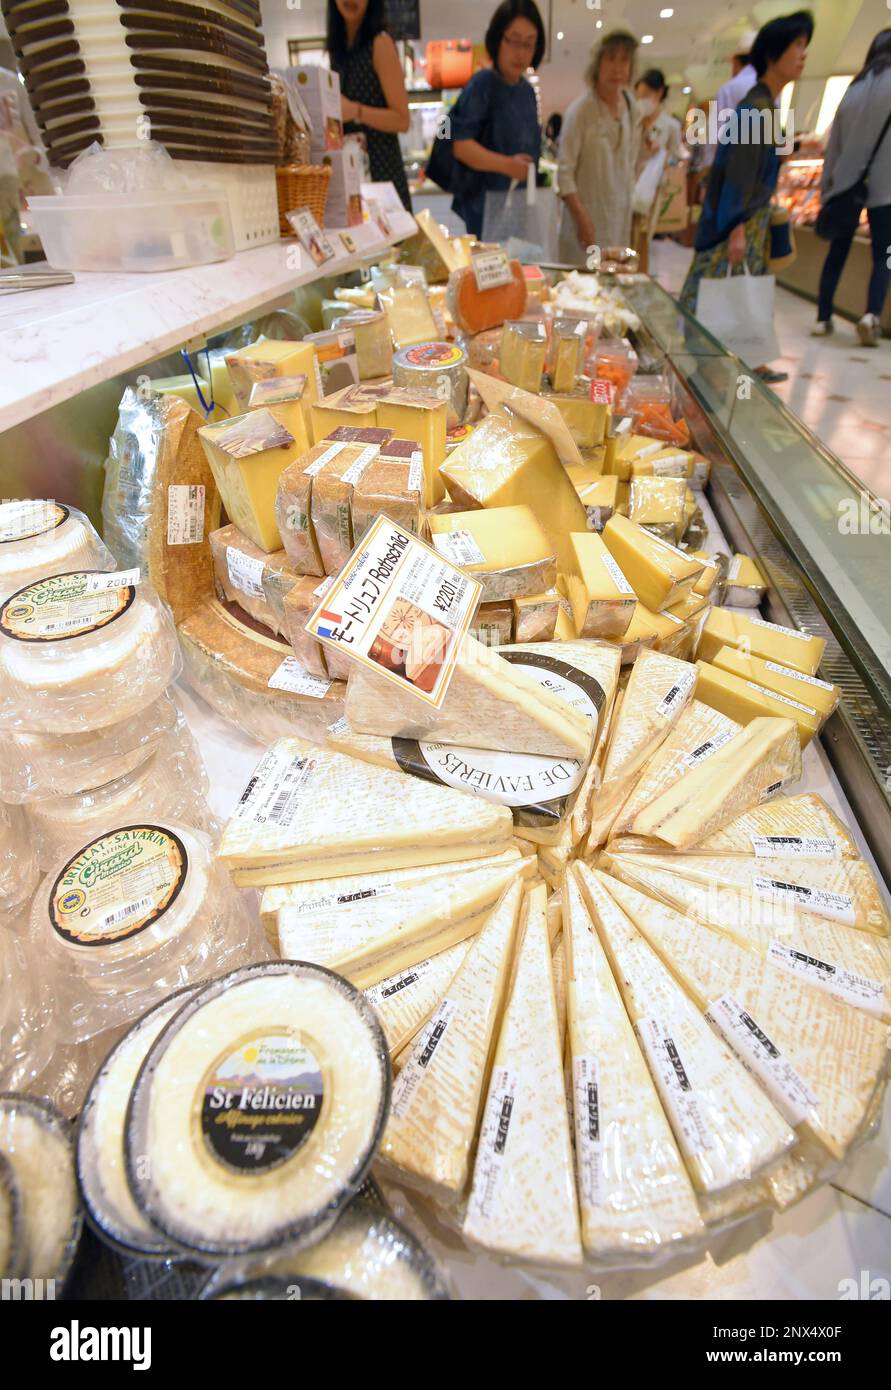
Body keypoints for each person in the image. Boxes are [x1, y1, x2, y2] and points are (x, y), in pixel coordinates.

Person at [679, 10, 814, 383]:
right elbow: (738, 171)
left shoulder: (765, 105)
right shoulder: (757, 107)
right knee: (716, 292)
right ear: (772, 54)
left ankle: (742, 359)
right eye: (797, 46)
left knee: (735, 289)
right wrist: (736, 226)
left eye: (806, 46)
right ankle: (710, 367)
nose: (803, 55)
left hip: (745, 221)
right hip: (735, 223)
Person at [813, 29, 891, 346]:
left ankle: (823, 316)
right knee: (885, 253)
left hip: (847, 182)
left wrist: (827, 186)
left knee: (837, 252)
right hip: (886, 186)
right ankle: (871, 314)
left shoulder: (853, 87)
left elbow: (834, 144)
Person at [449, 0, 545, 239]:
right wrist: (507, 165)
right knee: (491, 268)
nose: (520, 52)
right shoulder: (483, 84)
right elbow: (461, 146)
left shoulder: (527, 91)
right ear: (498, 38)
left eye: (529, 43)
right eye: (513, 40)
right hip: (485, 209)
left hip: (518, 205)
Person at [556, 29, 641, 266]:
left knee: (612, 284)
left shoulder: (632, 107)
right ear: (597, 63)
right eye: (611, 58)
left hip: (618, 218)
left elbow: (629, 162)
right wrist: (583, 221)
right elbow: (564, 175)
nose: (618, 68)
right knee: (581, 289)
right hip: (585, 225)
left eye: (624, 60)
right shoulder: (580, 112)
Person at [326, 0, 412, 211]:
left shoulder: (380, 43)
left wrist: (356, 111)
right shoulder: (338, 50)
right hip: (354, 174)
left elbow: (402, 120)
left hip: (381, 172)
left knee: (391, 242)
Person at [631, 69, 683, 270]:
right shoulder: (634, 122)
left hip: (651, 189)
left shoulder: (670, 126)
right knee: (627, 233)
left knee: (643, 234)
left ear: (659, 93)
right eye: (640, 96)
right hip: (630, 183)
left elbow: (676, 157)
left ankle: (639, 275)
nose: (643, 101)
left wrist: (662, 153)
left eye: (646, 96)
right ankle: (628, 272)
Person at [701, 29, 758, 173]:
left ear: (736, 62)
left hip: (730, 168)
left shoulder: (729, 89)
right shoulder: (771, 89)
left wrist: (709, 168)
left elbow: (716, 135)